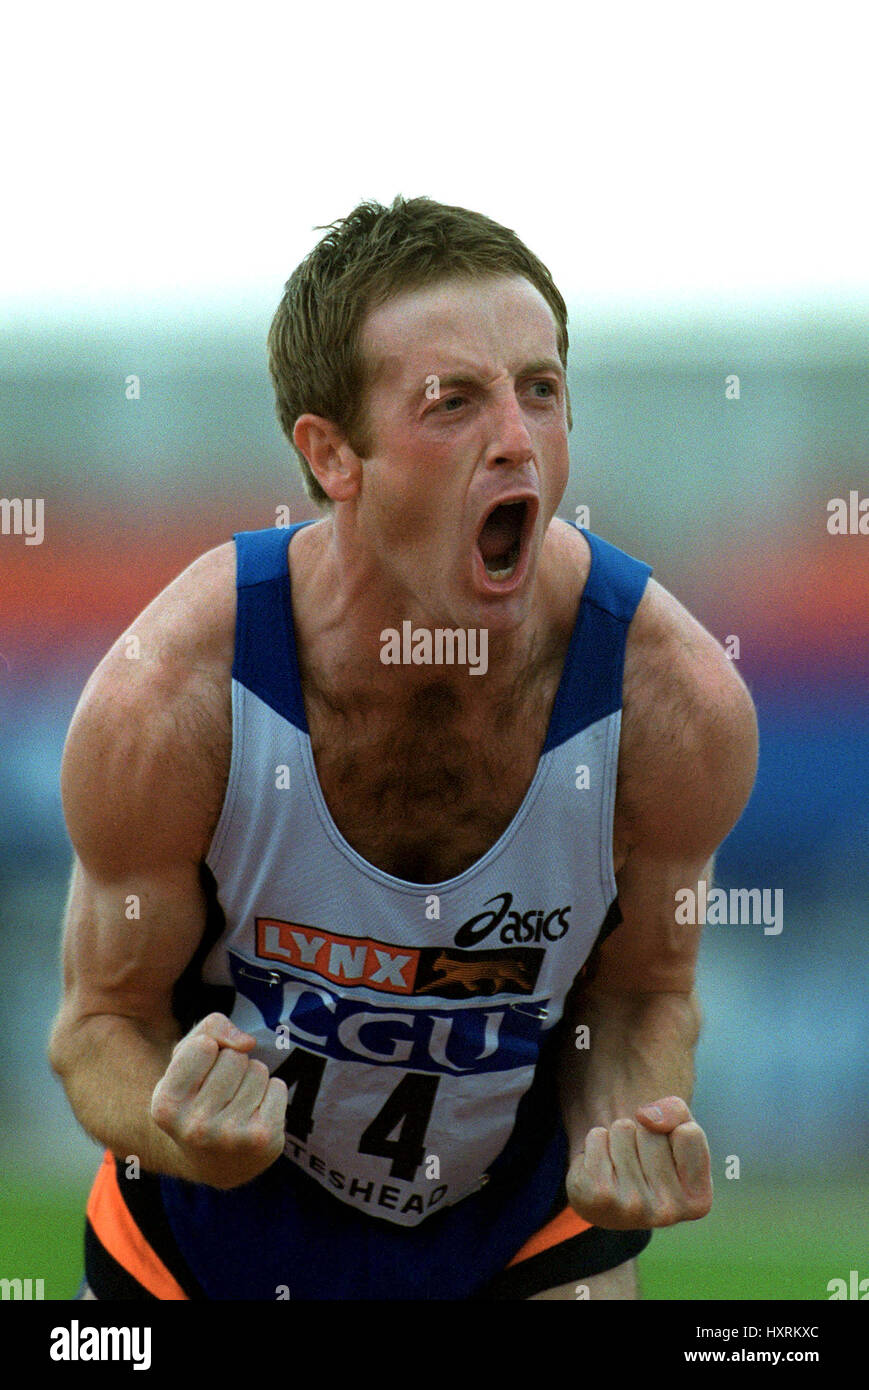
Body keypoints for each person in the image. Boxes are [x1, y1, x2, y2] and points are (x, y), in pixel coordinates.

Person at [49, 195, 758, 1300]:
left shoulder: (672, 700)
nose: (516, 440)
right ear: (332, 454)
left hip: (513, 1227)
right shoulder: (172, 695)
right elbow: (98, 1024)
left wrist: (624, 1123)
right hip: (201, 1232)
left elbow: (638, 999)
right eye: (453, 402)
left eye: (539, 390)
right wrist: (182, 1128)